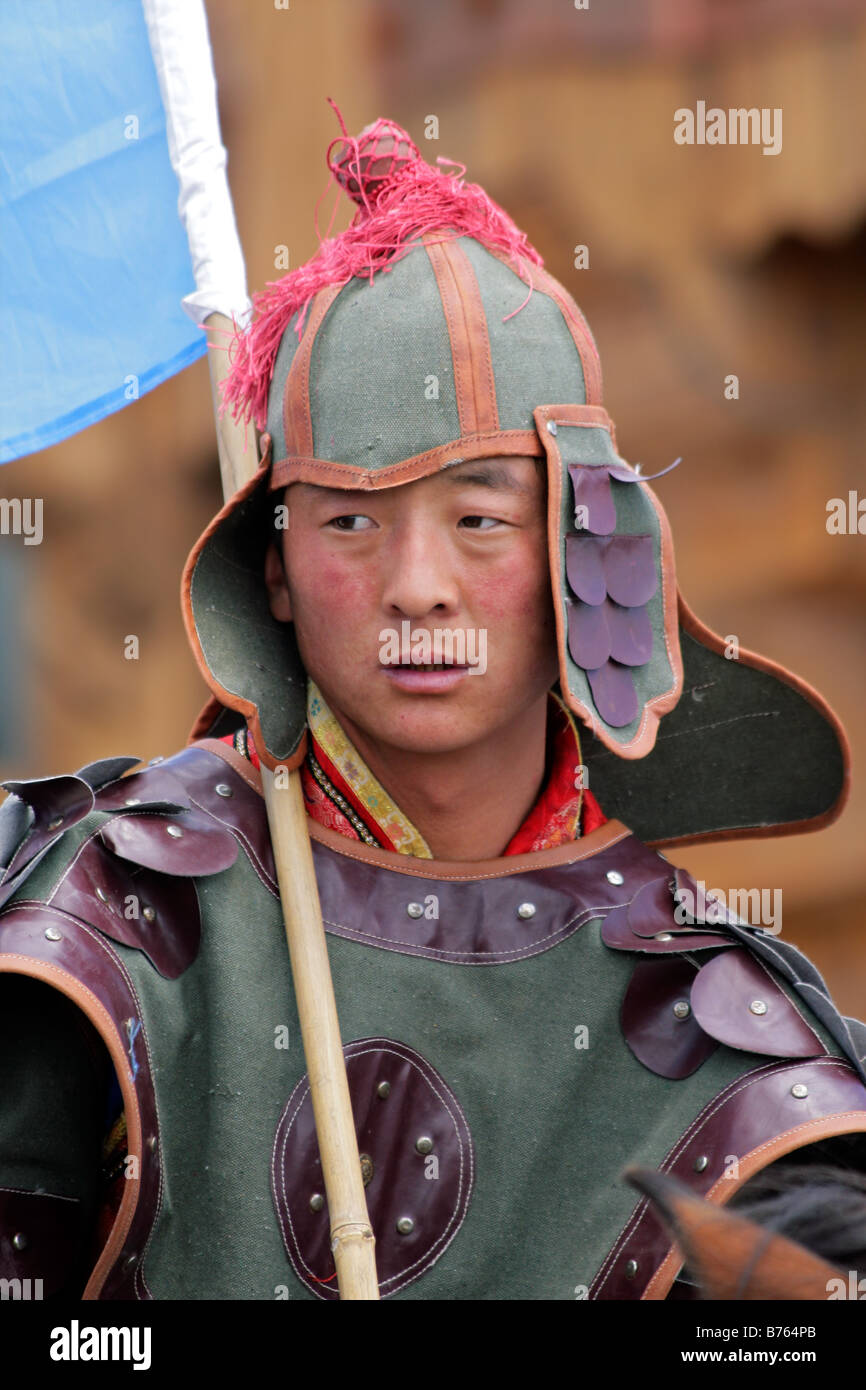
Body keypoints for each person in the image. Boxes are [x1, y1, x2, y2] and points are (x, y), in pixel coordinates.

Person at [1, 117, 865, 1302]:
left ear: (580, 544)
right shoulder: (105, 932)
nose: (417, 586)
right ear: (273, 569)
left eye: (479, 517)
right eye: (350, 520)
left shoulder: (732, 1047)